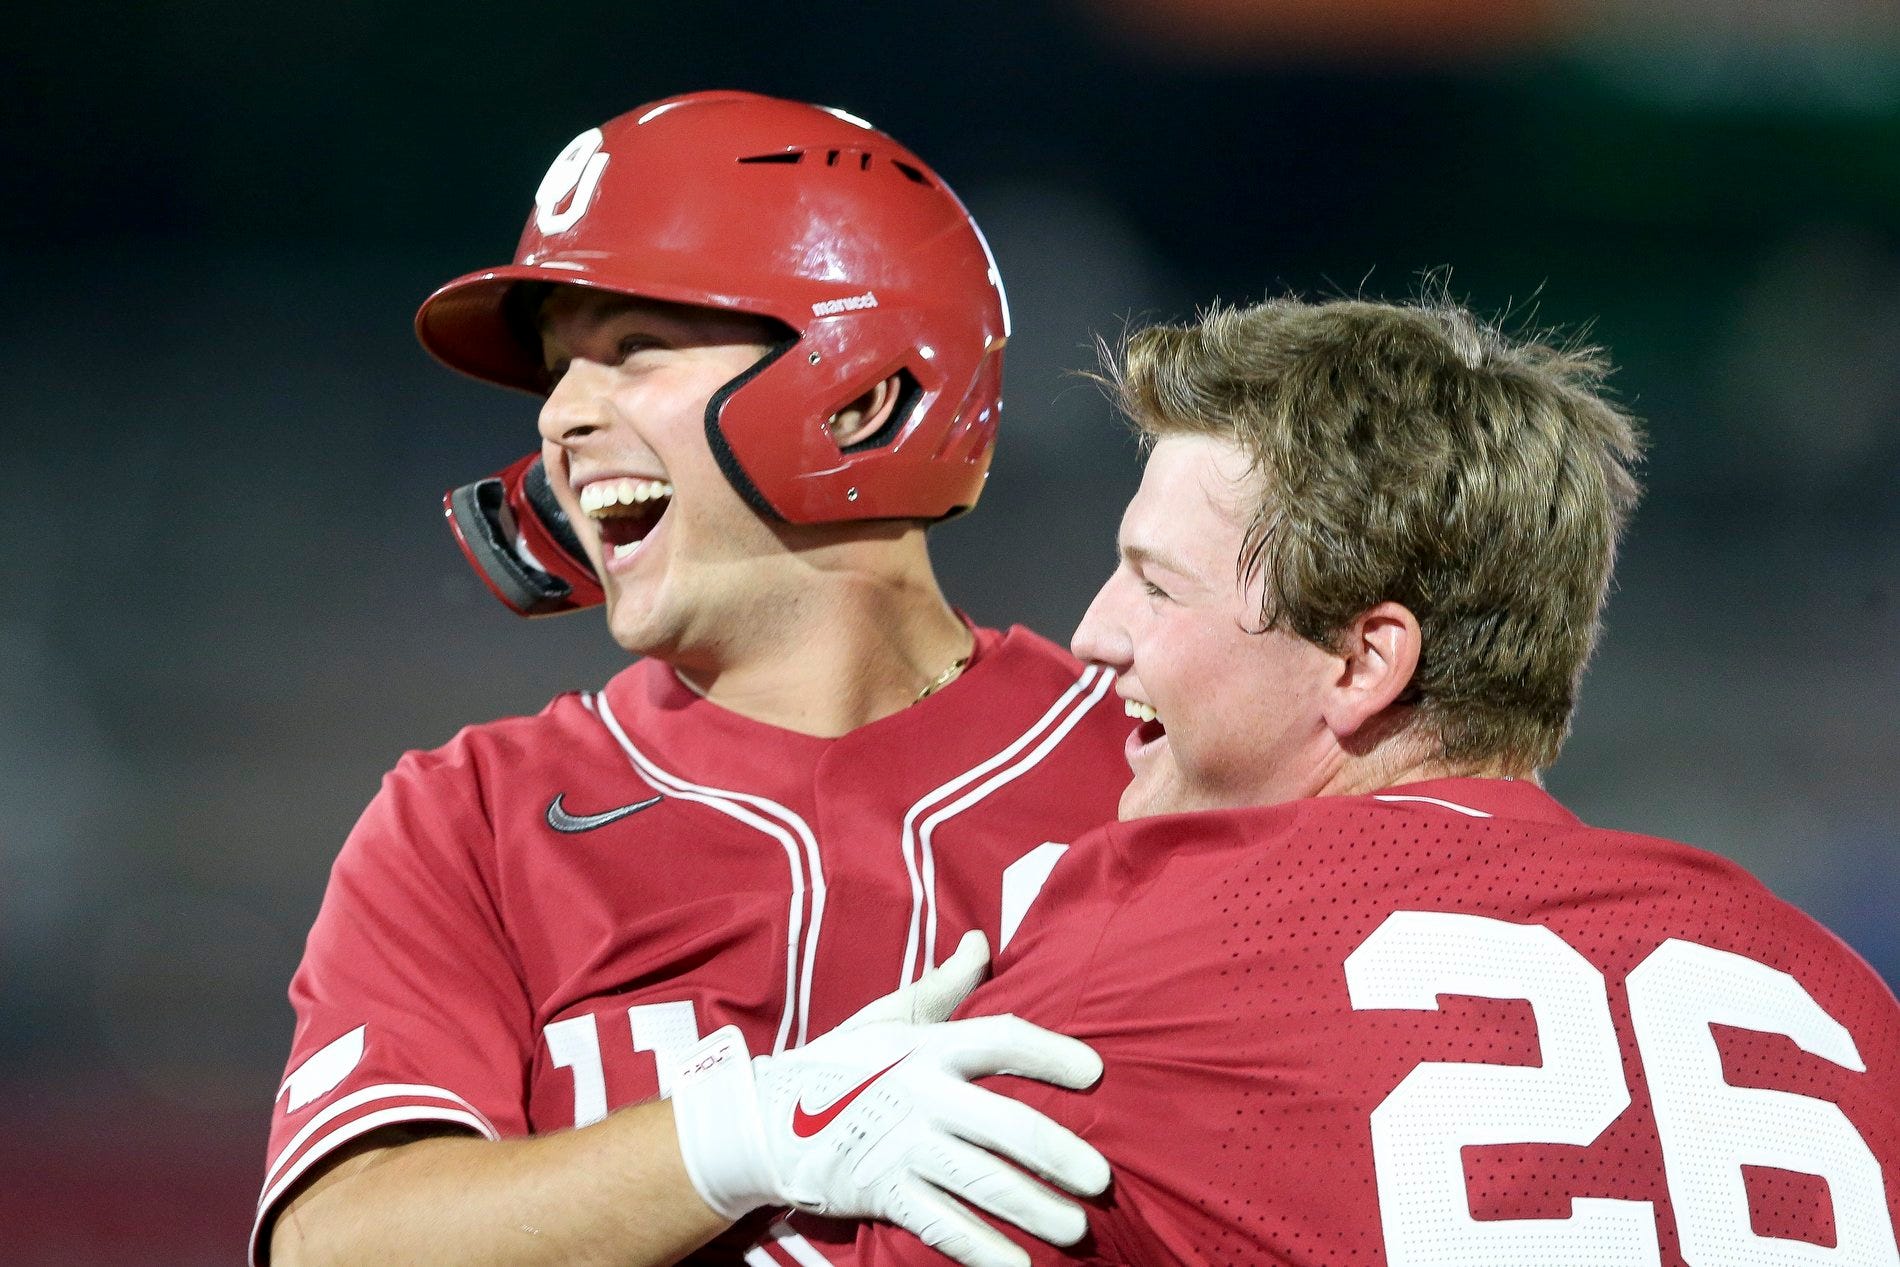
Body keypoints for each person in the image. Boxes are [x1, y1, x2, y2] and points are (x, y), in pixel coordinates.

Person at [784, 294, 1900, 1266]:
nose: (1093, 633)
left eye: (1156, 586)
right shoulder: (1838, 995)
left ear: (1366, 663)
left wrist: (742, 1142)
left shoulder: (1155, 945)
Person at [254, 91, 1136, 1267]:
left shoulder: (1154, 770)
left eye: (633, 349)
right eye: (558, 371)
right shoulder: (471, 819)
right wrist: (745, 1134)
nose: (561, 418)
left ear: (861, 394)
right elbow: (337, 1244)